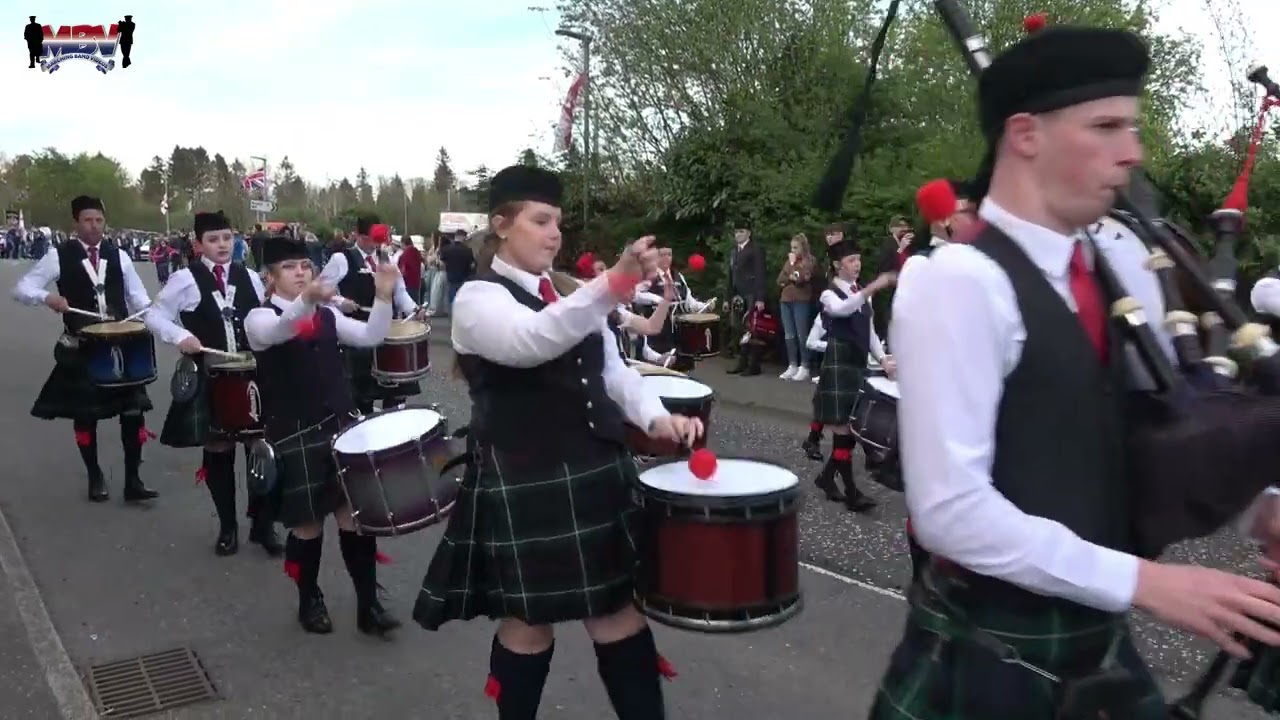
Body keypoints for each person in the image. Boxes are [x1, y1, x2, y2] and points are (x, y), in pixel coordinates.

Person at [871, 19, 1280, 720]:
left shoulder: (1113, 269)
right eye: (1107, 126)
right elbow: (949, 513)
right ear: (1026, 134)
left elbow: (1142, 437)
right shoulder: (959, 284)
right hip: (991, 653)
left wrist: (1261, 511)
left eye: (1133, 127)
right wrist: (1147, 582)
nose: (1133, 153)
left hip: (1092, 645)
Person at [413, 165, 703, 719]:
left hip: (597, 469)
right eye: (541, 220)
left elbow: (614, 372)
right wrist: (612, 284)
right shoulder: (476, 299)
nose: (554, 234)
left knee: (619, 613)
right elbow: (531, 342)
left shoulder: (571, 292)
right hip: (527, 478)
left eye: (558, 223)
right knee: (527, 623)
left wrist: (657, 416)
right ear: (500, 225)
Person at [244, 233, 402, 636]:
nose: (300, 273)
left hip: (340, 429)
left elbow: (370, 337)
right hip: (294, 433)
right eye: (289, 268)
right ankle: (308, 599)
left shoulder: (329, 316)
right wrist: (310, 299)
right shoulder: (258, 318)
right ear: (269, 278)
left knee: (355, 520)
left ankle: (368, 604)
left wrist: (384, 296)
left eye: (304, 266)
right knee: (307, 526)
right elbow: (283, 329)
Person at [145, 211, 282, 557]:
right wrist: (180, 335)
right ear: (198, 244)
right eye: (213, 240)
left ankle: (262, 525)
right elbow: (153, 316)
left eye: (227, 238)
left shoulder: (249, 277)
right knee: (219, 452)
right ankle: (227, 526)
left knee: (261, 452)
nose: (222, 245)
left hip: (253, 374)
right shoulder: (183, 280)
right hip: (212, 376)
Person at [12, 195, 158, 503]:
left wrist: (151, 315)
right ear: (76, 224)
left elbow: (140, 300)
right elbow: (22, 288)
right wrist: (46, 298)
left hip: (120, 346)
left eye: (99, 221)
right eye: (88, 221)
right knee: (85, 416)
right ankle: (95, 475)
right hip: (82, 346)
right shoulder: (58, 255)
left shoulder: (120, 256)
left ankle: (133, 479)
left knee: (133, 414)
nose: (94, 226)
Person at [811, 240, 894, 513]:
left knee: (850, 432)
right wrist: (871, 287)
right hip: (838, 365)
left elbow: (869, 333)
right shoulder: (828, 293)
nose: (856, 265)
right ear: (837, 264)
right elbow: (841, 310)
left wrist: (883, 359)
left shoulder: (861, 293)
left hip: (857, 365)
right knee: (843, 434)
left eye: (858, 259)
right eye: (850, 260)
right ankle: (852, 492)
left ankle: (826, 479)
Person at [318, 216, 424, 415]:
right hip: (356, 334)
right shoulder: (341, 259)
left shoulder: (387, 259)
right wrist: (341, 302)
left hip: (387, 334)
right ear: (358, 235)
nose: (375, 244)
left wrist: (414, 309)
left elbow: (400, 292)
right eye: (370, 238)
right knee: (362, 397)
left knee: (394, 396)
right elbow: (320, 292)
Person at [632, 245, 715, 360]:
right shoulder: (648, 276)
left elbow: (688, 302)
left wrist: (704, 306)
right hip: (657, 335)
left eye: (669, 255)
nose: (666, 258)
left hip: (678, 336)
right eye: (662, 255)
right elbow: (634, 295)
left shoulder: (678, 276)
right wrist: (657, 300)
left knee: (680, 367)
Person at [725, 224, 766, 375]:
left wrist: (760, 297)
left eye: (741, 231)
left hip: (751, 293)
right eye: (736, 232)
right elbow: (730, 276)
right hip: (737, 294)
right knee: (739, 328)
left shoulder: (755, 250)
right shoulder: (734, 251)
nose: (738, 234)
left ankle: (753, 364)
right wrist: (726, 297)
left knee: (751, 329)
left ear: (749, 233)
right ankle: (742, 361)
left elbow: (760, 273)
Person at [776, 233, 817, 381]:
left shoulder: (809, 261)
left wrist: (793, 269)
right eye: (791, 247)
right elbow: (780, 280)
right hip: (786, 300)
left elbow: (801, 279)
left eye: (795, 247)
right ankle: (792, 364)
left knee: (802, 335)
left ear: (803, 248)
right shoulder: (789, 261)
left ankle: (804, 366)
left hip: (801, 300)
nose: (792, 251)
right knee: (789, 335)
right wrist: (790, 277)